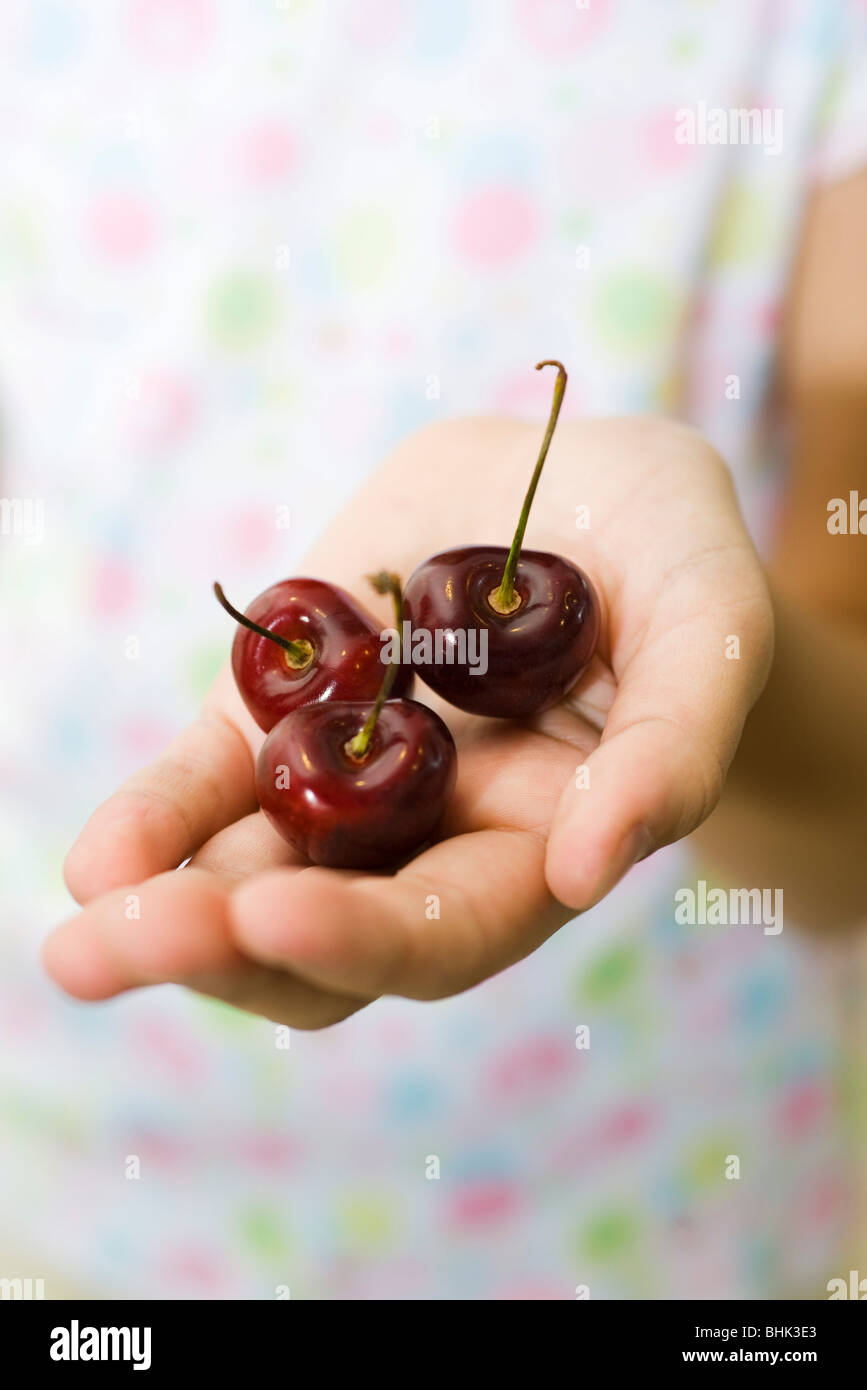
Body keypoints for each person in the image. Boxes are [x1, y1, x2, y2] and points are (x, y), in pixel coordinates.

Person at [4, 0, 867, 1299]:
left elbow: (849, 831)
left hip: (660, 1212)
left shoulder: (807, 41)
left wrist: (725, 668)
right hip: (86, 1175)